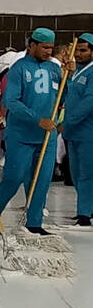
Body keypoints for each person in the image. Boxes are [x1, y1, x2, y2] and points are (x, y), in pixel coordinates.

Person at [0, 27, 64, 236]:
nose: (49, 51)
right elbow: (11, 101)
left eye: (51, 47)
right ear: (32, 45)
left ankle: (34, 222)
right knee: (14, 176)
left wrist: (70, 75)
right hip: (21, 135)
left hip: (47, 136)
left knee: (42, 179)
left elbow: (63, 97)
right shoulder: (18, 69)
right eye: (45, 47)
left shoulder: (55, 69)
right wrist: (37, 119)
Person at [63, 34, 93, 227]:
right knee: (75, 173)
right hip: (72, 131)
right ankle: (87, 207)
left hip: (87, 131)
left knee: (86, 173)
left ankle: (84, 213)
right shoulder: (76, 71)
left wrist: (71, 120)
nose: (79, 54)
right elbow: (68, 95)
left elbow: (89, 101)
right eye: (77, 50)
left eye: (83, 50)